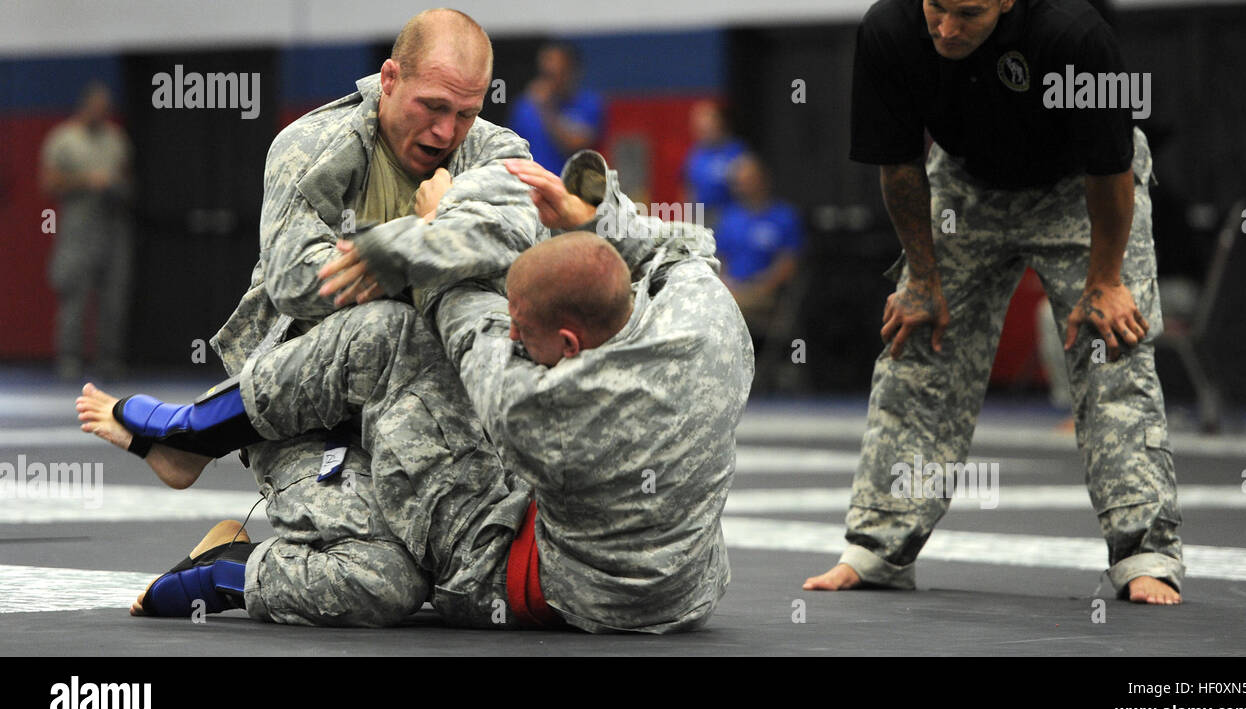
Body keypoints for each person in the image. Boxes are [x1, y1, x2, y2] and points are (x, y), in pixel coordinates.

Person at [78, 150, 753, 632]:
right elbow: (678, 249)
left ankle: (214, 517)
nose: (515, 338)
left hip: (513, 575)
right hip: (684, 595)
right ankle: (196, 439)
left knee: (393, 336)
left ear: (572, 347)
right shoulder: (708, 315)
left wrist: (439, 230)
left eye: (523, 332)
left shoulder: (543, 410)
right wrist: (593, 216)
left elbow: (465, 323)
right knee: (382, 565)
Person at [803, 0, 1183, 605]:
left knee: (1113, 345)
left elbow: (1111, 167)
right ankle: (879, 546)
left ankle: (1144, 553)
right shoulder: (889, 30)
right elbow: (898, 167)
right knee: (917, 341)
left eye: (967, 14)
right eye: (935, 6)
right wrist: (922, 279)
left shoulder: (1076, 35)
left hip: (1079, 190)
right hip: (968, 186)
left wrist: (1105, 281)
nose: (946, 29)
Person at [195, 8, 541, 624]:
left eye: (465, 112)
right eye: (432, 106)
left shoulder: (494, 153)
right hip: (308, 409)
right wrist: (433, 242)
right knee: (384, 580)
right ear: (389, 79)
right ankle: (226, 571)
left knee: (485, 571)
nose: (446, 130)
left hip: (429, 400)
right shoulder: (311, 148)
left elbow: (525, 246)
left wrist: (411, 245)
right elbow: (298, 282)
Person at [40, 82, 134, 381]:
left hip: (112, 226)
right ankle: (69, 359)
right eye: (96, 107)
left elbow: (127, 177)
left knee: (113, 297)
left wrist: (115, 187)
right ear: (84, 106)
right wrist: (86, 180)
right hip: (78, 228)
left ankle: (109, 360)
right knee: (74, 295)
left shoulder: (115, 138)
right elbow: (48, 184)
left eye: (105, 108)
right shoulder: (63, 139)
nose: (101, 113)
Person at [715, 154, 802, 338]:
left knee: (722, 310)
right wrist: (725, 285)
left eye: (748, 180)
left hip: (767, 295)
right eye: (738, 182)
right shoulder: (729, 218)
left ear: (763, 179)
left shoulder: (784, 217)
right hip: (732, 291)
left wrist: (760, 288)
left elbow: (789, 265)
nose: (742, 187)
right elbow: (720, 260)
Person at [508, 42, 604, 174]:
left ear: (571, 72)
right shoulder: (524, 106)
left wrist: (546, 108)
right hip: (531, 182)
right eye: (545, 74)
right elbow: (513, 150)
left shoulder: (589, 104)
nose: (549, 81)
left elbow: (577, 145)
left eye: (555, 74)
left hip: (573, 183)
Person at [681, 99, 747, 223]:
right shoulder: (694, 154)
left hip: (730, 216)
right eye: (698, 123)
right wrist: (688, 218)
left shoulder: (735, 151)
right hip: (702, 216)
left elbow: (747, 190)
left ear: (720, 122)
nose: (703, 126)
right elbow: (688, 189)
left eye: (708, 121)